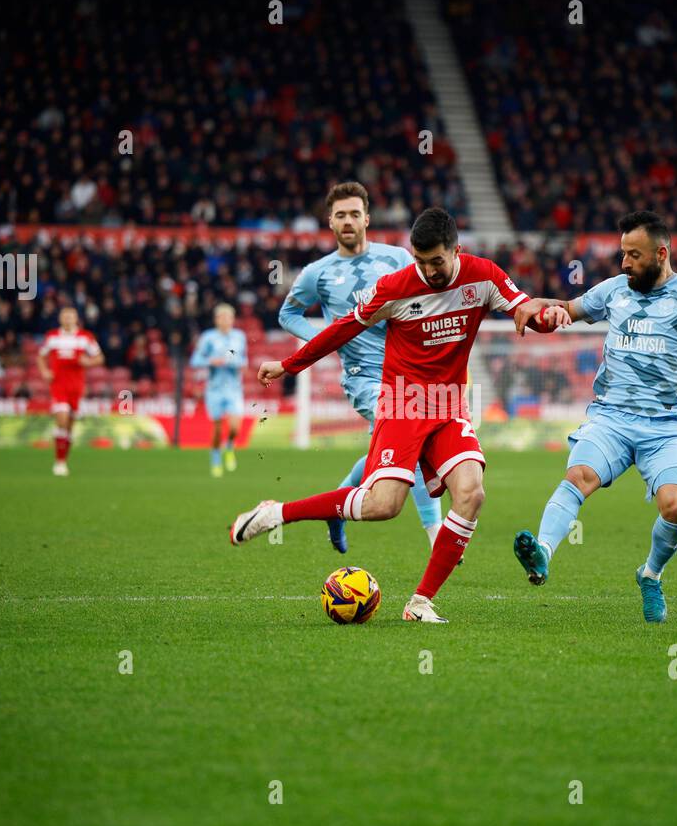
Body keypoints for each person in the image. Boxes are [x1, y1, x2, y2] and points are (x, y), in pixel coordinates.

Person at [231, 208, 552, 623]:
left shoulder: (483, 276)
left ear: (457, 249)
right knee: (384, 505)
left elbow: (527, 310)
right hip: (402, 404)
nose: (429, 270)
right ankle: (275, 513)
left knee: (472, 493)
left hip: (449, 405)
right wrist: (290, 365)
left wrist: (551, 315)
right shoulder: (396, 287)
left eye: (437, 261)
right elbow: (342, 328)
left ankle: (420, 603)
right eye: (420, 261)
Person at [509, 210, 677, 623]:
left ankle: (650, 575)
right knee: (578, 477)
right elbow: (566, 309)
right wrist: (539, 309)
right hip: (611, 418)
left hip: (667, 426)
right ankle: (542, 553)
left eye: (633, 255)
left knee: (675, 508)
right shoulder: (615, 290)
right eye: (622, 254)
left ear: (661, 253)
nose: (625, 263)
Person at [279, 181, 442, 552]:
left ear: (367, 218)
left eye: (355, 213)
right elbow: (287, 313)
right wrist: (325, 340)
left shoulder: (398, 258)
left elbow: (426, 298)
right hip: (363, 378)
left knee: (382, 454)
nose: (348, 220)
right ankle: (436, 532)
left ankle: (337, 504)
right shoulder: (317, 273)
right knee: (409, 433)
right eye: (340, 215)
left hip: (407, 374)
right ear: (330, 222)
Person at [37, 306, 103, 476]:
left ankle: (63, 460)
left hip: (76, 387)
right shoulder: (52, 337)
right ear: (60, 318)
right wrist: (44, 371)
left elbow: (100, 357)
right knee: (62, 419)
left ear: (76, 319)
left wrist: (88, 362)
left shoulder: (85, 337)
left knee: (70, 427)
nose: (67, 319)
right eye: (64, 315)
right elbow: (40, 355)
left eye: (70, 316)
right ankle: (58, 462)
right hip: (58, 385)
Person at [190, 303, 247, 477]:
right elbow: (195, 360)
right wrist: (211, 361)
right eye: (221, 318)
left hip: (234, 388)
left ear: (232, 319)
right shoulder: (208, 337)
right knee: (217, 427)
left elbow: (244, 361)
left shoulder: (239, 337)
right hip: (214, 389)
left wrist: (231, 362)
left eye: (228, 318)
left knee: (235, 427)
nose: (225, 321)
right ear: (216, 320)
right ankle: (215, 458)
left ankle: (229, 446)